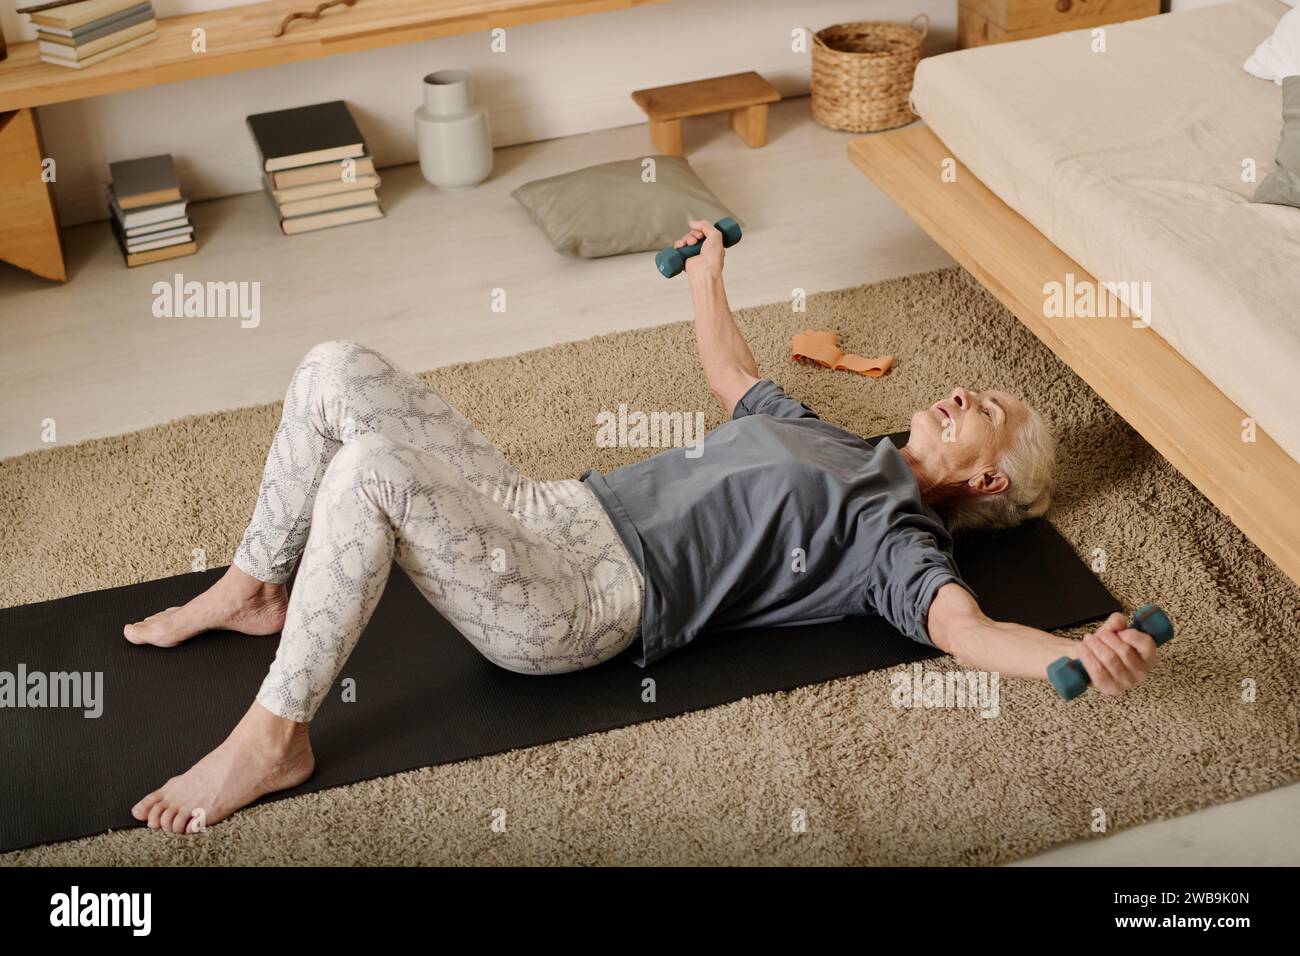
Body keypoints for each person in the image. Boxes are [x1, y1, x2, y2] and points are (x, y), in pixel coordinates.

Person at [125, 221, 1160, 834]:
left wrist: (1074, 650)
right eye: (971, 386)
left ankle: (275, 737)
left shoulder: (896, 539)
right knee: (332, 364)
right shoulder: (828, 432)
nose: (960, 389)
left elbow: (966, 631)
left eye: (983, 408)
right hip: (553, 511)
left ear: (984, 477)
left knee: (369, 467)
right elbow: (731, 376)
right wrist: (710, 272)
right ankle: (259, 584)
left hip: (578, 603)